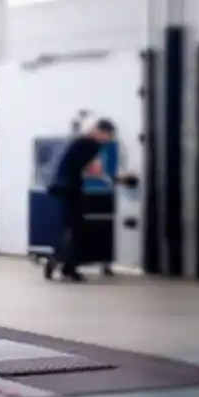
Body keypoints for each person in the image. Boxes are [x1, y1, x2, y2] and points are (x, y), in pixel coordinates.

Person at [44, 118, 118, 282]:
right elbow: (94, 169)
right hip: (70, 189)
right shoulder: (92, 144)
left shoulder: (80, 141)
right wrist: (113, 179)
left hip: (59, 187)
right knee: (75, 229)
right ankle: (61, 262)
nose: (108, 139)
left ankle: (65, 264)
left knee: (70, 226)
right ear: (100, 132)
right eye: (108, 135)